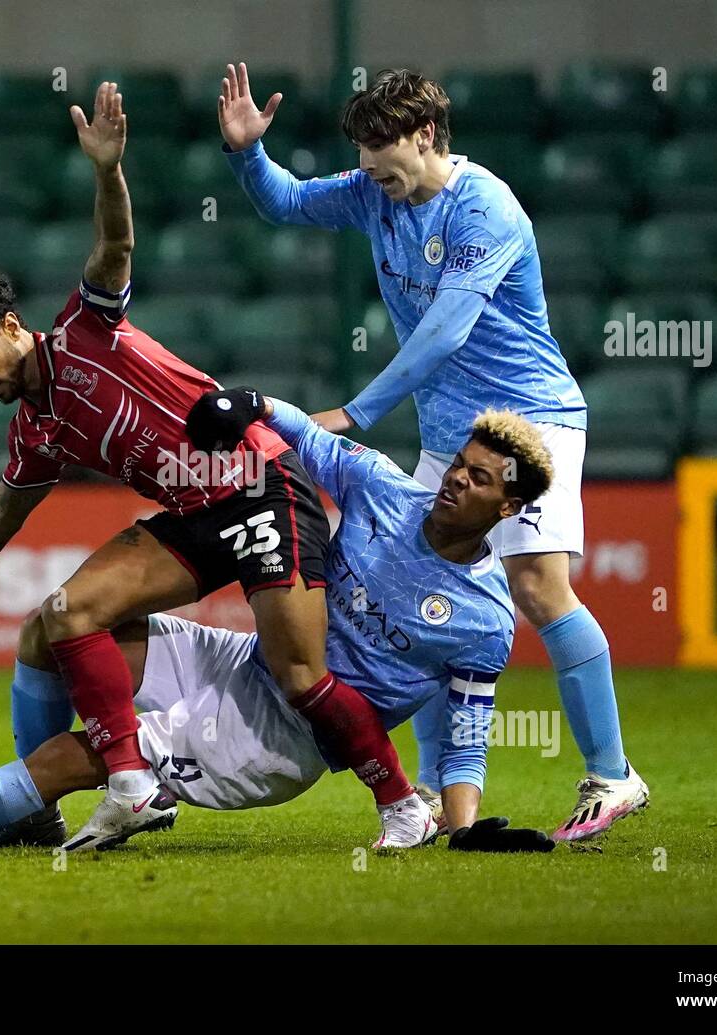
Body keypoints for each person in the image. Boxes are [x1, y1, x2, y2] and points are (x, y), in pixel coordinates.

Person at [0, 81, 430, 851]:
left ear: (13, 326)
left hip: (262, 486)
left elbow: (115, 250)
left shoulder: (85, 333)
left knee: (299, 674)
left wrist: (108, 170)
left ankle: (403, 802)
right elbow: (2, 513)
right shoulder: (35, 429)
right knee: (63, 615)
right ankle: (121, 786)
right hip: (197, 517)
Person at [0, 399, 557, 855]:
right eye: (458, 462)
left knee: (92, 753)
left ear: (510, 506)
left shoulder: (486, 621)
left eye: (479, 477)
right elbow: (308, 440)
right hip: (246, 662)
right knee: (56, 626)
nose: (454, 479)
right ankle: (29, 817)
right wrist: (251, 406)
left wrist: (461, 826)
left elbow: (465, 731)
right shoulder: (389, 492)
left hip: (281, 740)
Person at [217, 63, 648, 841]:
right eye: (366, 165)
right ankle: (454, 818)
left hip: (529, 418)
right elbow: (282, 201)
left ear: (426, 135)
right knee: (426, 610)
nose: (373, 178)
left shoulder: (485, 207)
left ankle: (613, 773)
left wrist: (357, 410)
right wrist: (248, 154)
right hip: (449, 434)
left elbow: (446, 329)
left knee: (540, 589)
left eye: (385, 162)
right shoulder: (373, 193)